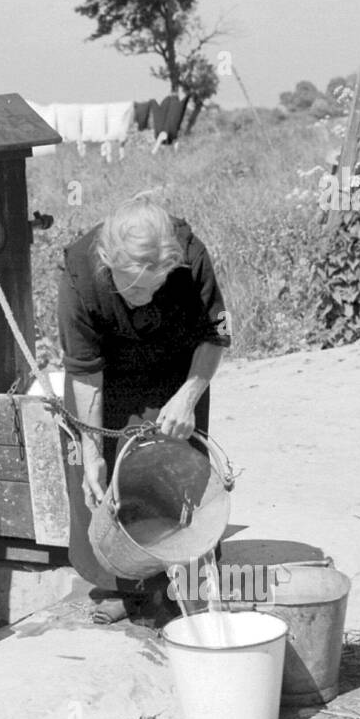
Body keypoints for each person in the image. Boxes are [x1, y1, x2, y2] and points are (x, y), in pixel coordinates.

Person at [57, 193, 232, 618]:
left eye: (149, 288)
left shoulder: (191, 259)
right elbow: (85, 374)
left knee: (175, 470)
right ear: (107, 261)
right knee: (98, 479)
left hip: (176, 370)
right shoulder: (81, 272)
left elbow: (214, 335)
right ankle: (122, 586)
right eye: (128, 287)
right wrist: (94, 450)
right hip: (103, 374)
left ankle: (179, 585)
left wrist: (188, 397)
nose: (138, 298)